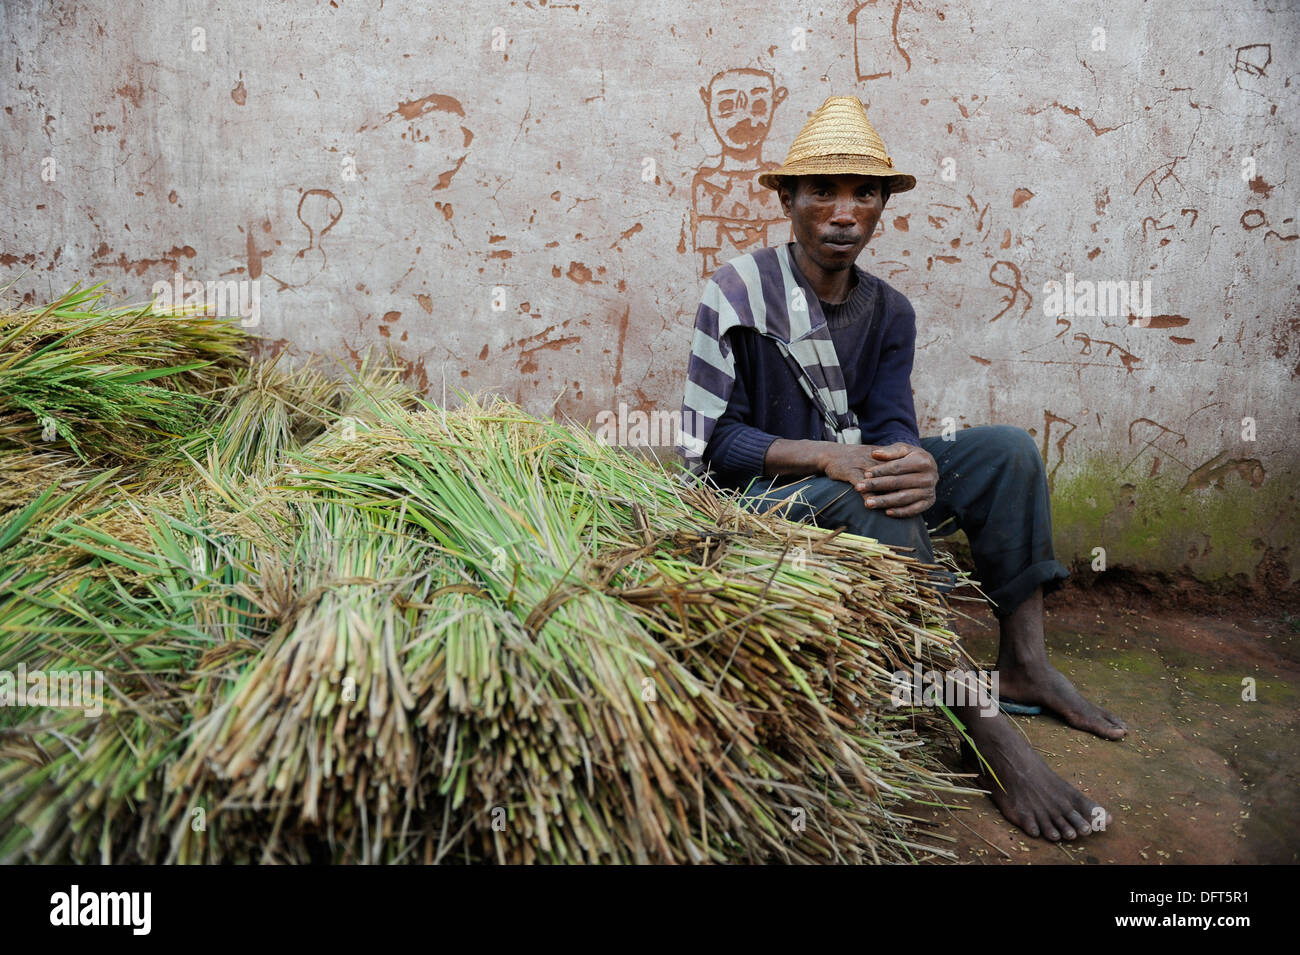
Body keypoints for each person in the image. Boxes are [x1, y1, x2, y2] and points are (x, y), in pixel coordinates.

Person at [676, 95, 1126, 842]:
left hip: (853, 481)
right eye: (822, 189)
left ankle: (1024, 664)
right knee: (875, 502)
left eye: (865, 191)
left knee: (1006, 451)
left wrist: (908, 459)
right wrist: (829, 455)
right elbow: (714, 447)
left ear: (884, 204)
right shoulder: (737, 295)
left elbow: (888, 426)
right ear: (787, 199)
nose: (844, 211)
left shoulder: (890, 311)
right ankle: (981, 726)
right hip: (762, 501)